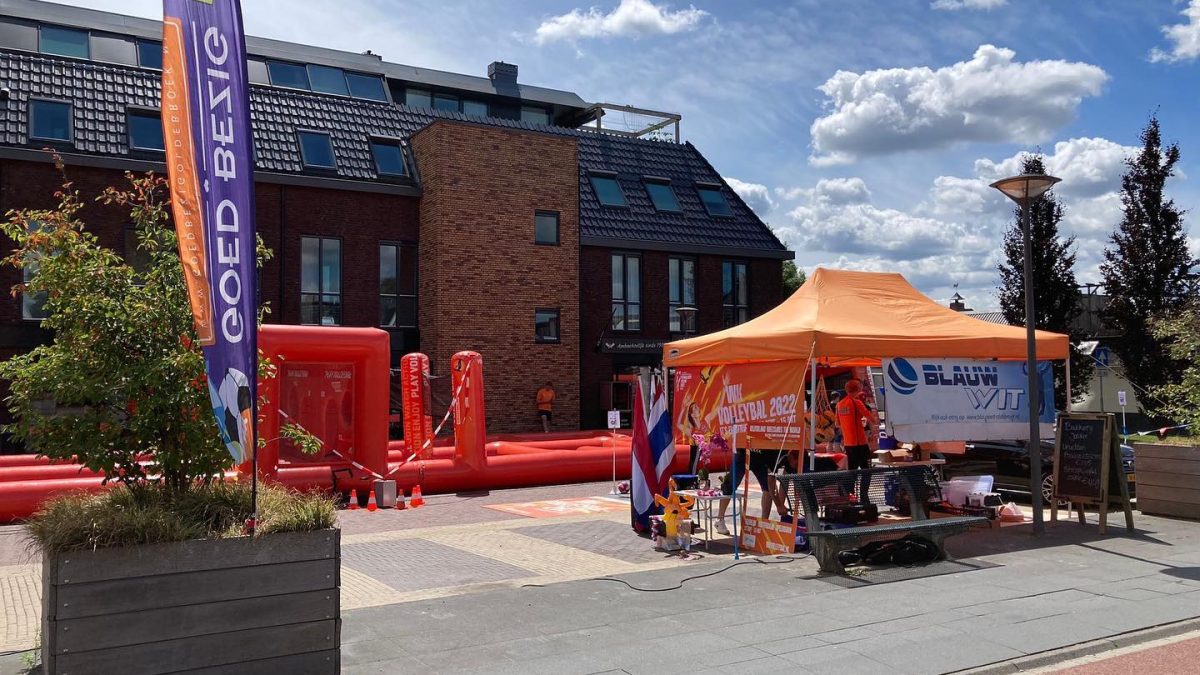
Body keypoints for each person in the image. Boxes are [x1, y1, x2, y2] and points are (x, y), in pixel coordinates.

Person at [835, 379, 878, 502]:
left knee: (852, 472)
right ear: (858, 389)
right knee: (866, 471)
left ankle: (850, 496)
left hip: (848, 443)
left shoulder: (839, 405)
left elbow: (837, 424)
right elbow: (871, 418)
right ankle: (864, 496)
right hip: (860, 443)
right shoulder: (856, 402)